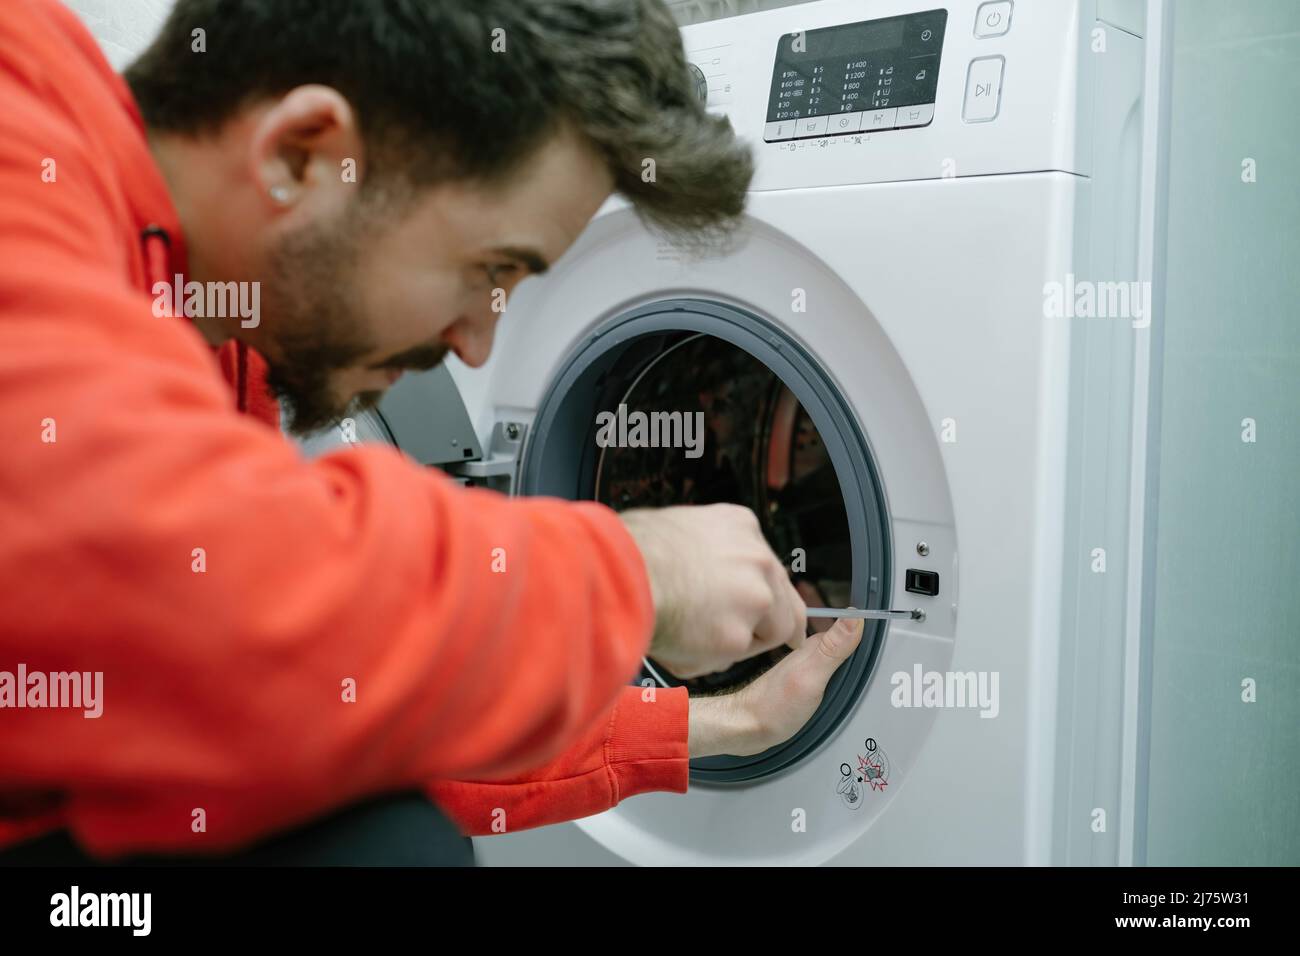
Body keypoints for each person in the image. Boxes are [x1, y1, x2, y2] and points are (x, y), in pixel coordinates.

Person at [0, 0, 862, 865]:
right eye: (490, 269)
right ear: (302, 158)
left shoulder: (219, 336)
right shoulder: (18, 133)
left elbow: (328, 703)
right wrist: (642, 573)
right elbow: (184, 593)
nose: (477, 341)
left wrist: (718, 722)